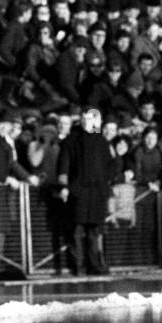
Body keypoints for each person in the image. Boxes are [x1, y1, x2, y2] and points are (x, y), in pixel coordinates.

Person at [55, 107, 116, 276]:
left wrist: (106, 187)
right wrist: (64, 187)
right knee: (77, 230)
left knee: (94, 231)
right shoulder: (72, 141)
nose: (89, 122)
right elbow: (64, 166)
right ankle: (78, 266)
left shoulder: (102, 142)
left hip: (97, 192)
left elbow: (110, 166)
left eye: (92, 119)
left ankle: (94, 265)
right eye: (86, 118)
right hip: (79, 191)